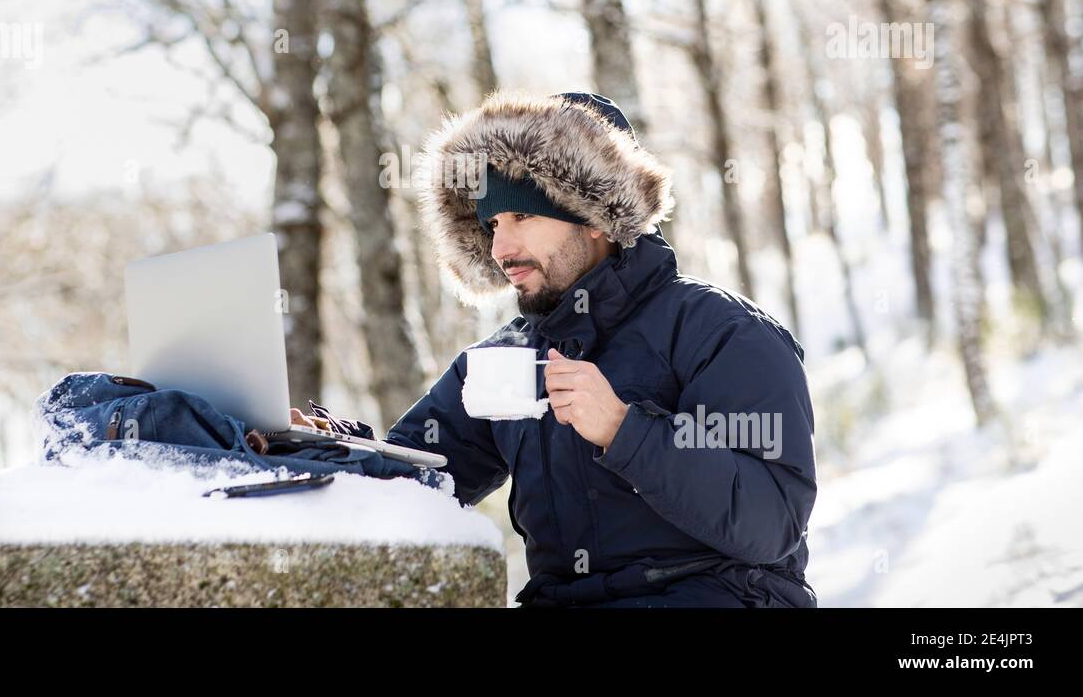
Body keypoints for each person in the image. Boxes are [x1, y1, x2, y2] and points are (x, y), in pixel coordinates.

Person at [292, 89, 817, 608]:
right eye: (492, 224)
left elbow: (772, 524)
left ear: (594, 217)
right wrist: (326, 447)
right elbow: (415, 476)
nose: (501, 248)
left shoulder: (720, 332)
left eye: (522, 217)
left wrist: (624, 431)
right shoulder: (506, 360)